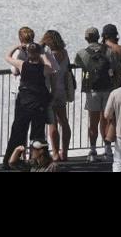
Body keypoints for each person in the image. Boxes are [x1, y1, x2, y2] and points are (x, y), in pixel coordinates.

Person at [73, 27, 121, 163]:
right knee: (107, 120)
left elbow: (78, 63)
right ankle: (107, 149)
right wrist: (115, 86)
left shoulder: (82, 53)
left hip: (92, 91)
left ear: (86, 38)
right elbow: (118, 69)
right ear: (98, 36)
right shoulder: (109, 51)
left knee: (93, 122)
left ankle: (93, 150)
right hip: (108, 90)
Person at [1, 41, 53, 167]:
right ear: (38, 53)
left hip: (23, 104)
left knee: (18, 133)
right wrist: (43, 53)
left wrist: (16, 46)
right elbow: (50, 66)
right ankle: (38, 160)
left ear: (28, 53)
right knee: (37, 135)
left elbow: (7, 57)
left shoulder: (22, 65)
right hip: (38, 105)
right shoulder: (43, 68)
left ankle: (10, 160)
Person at [41, 30, 74, 161]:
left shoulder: (48, 55)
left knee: (52, 123)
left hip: (50, 90)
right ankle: (64, 152)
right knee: (64, 121)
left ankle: (55, 153)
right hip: (62, 90)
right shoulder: (64, 53)